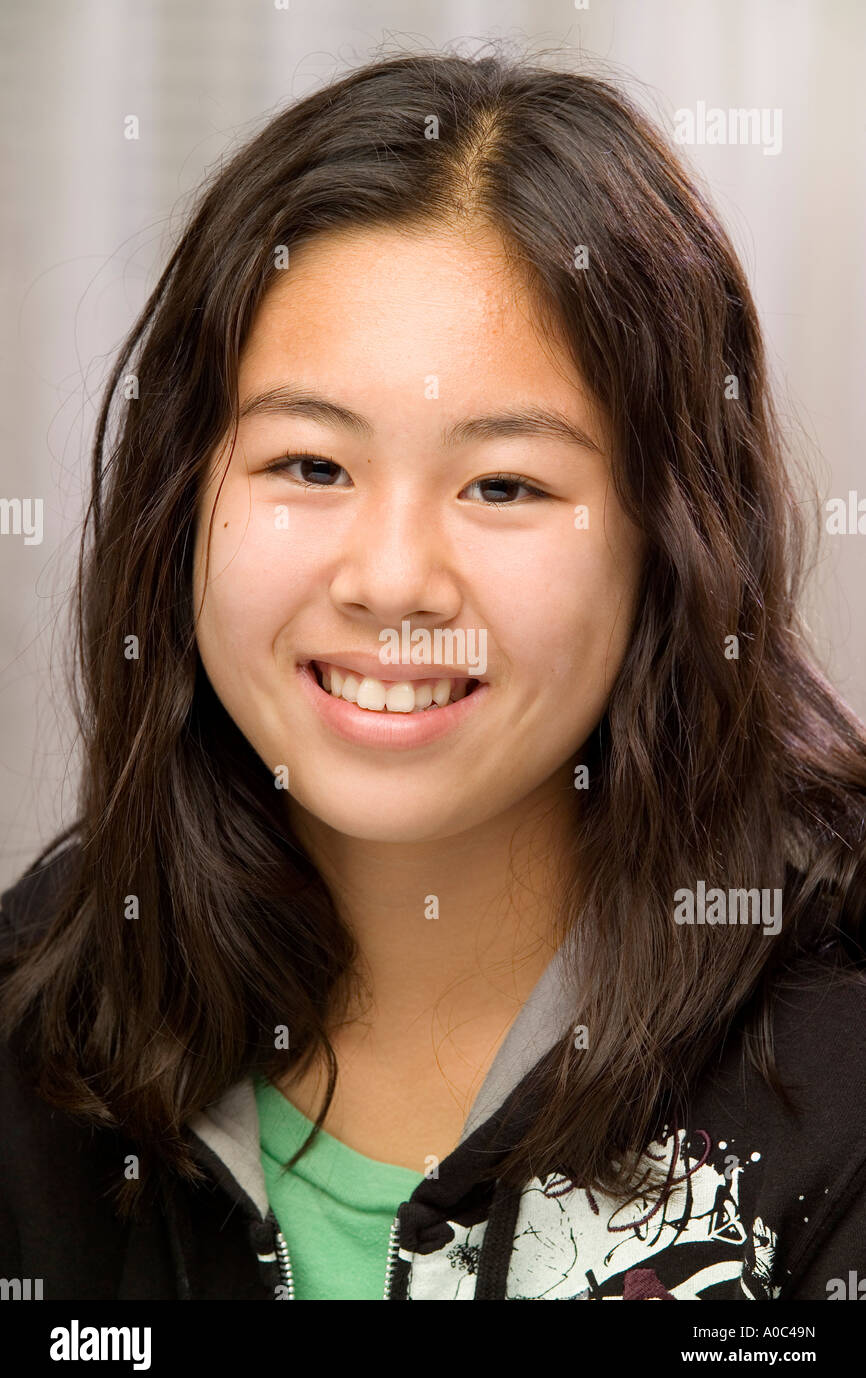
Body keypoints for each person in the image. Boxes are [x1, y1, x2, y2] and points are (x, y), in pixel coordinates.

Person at [1, 49, 865, 1303]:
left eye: (503, 485)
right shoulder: (38, 1026)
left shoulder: (838, 1070)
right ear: (181, 502)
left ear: (668, 545)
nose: (392, 578)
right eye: (308, 464)